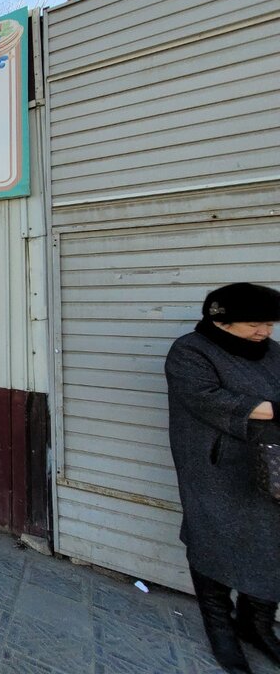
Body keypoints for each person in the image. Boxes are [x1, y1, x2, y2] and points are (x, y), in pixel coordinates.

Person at [165, 282, 280, 673]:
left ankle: (258, 626)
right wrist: (271, 410)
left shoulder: (271, 352)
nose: (264, 332)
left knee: (271, 543)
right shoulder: (190, 351)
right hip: (212, 467)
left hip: (268, 466)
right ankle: (221, 630)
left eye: (269, 323)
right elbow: (208, 399)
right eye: (255, 324)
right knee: (213, 538)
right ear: (222, 319)